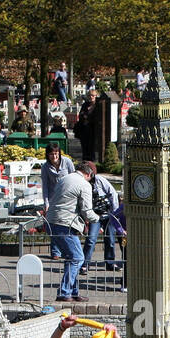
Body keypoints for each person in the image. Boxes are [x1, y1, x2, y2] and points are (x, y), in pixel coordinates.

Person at [47, 162, 99, 303]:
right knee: (77, 258)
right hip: (65, 224)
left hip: (51, 222)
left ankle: (73, 292)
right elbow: (87, 212)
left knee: (71, 258)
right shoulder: (84, 184)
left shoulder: (65, 178)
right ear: (89, 174)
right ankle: (64, 292)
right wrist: (99, 218)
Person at [83, 162, 121, 273]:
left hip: (108, 213)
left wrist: (115, 213)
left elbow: (113, 193)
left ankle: (110, 263)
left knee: (110, 239)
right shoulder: (83, 183)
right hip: (95, 215)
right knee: (91, 239)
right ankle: (85, 263)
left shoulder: (99, 179)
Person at [76, 89, 100, 162]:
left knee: (92, 147)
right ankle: (85, 160)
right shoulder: (85, 104)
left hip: (93, 129)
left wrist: (88, 118)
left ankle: (91, 161)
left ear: (96, 96)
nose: (91, 97)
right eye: (89, 95)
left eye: (93, 95)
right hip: (84, 129)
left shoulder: (98, 105)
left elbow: (98, 117)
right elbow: (80, 115)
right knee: (84, 146)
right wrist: (84, 117)